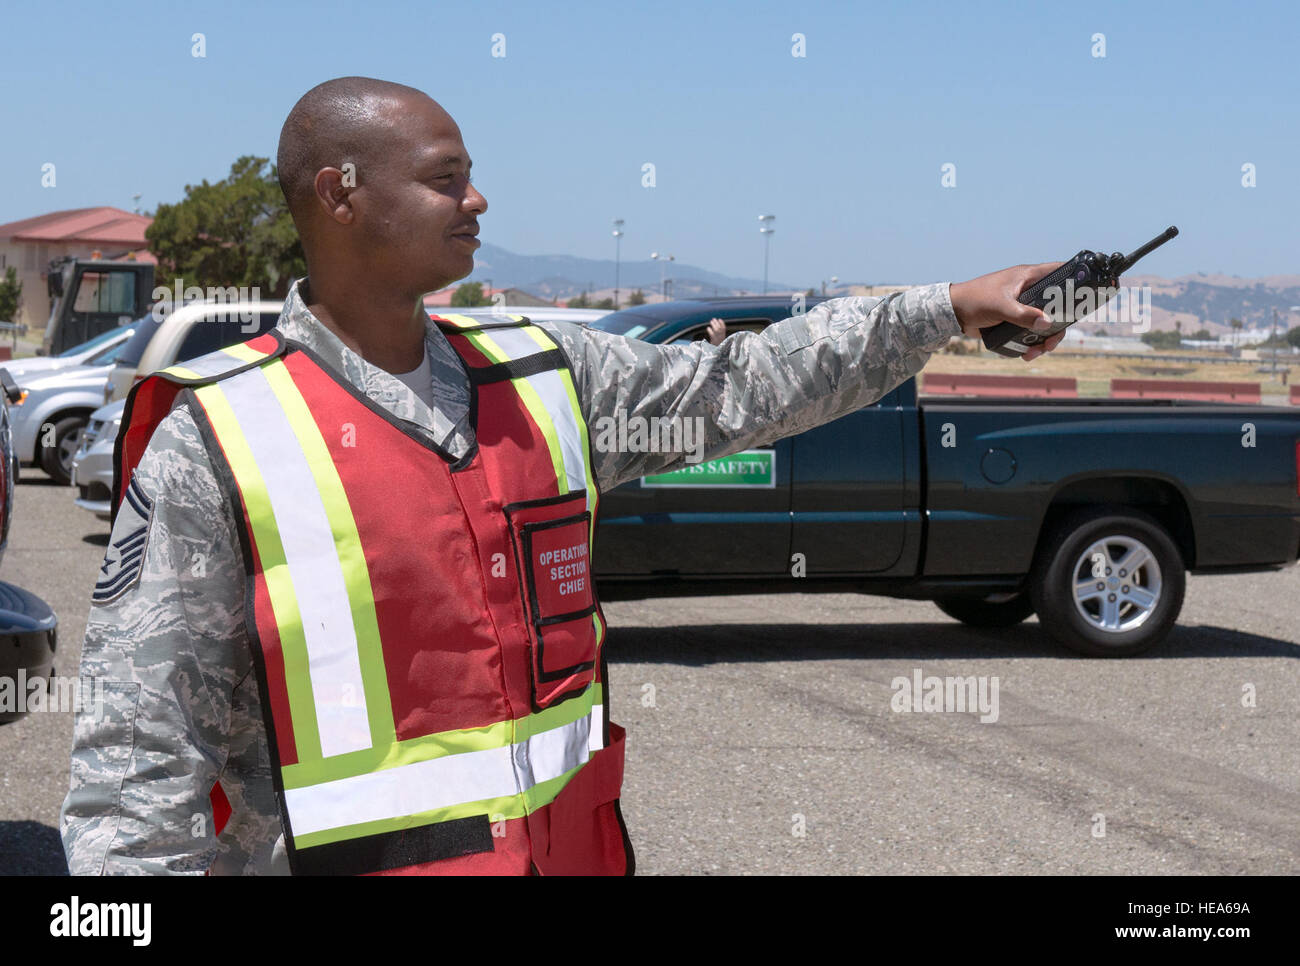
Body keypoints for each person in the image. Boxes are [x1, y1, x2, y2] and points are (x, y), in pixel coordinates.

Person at [60, 76, 1066, 876]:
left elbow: (743, 385)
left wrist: (948, 306)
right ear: (341, 195)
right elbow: (140, 748)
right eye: (446, 178)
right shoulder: (221, 434)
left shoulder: (546, 375)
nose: (478, 197)